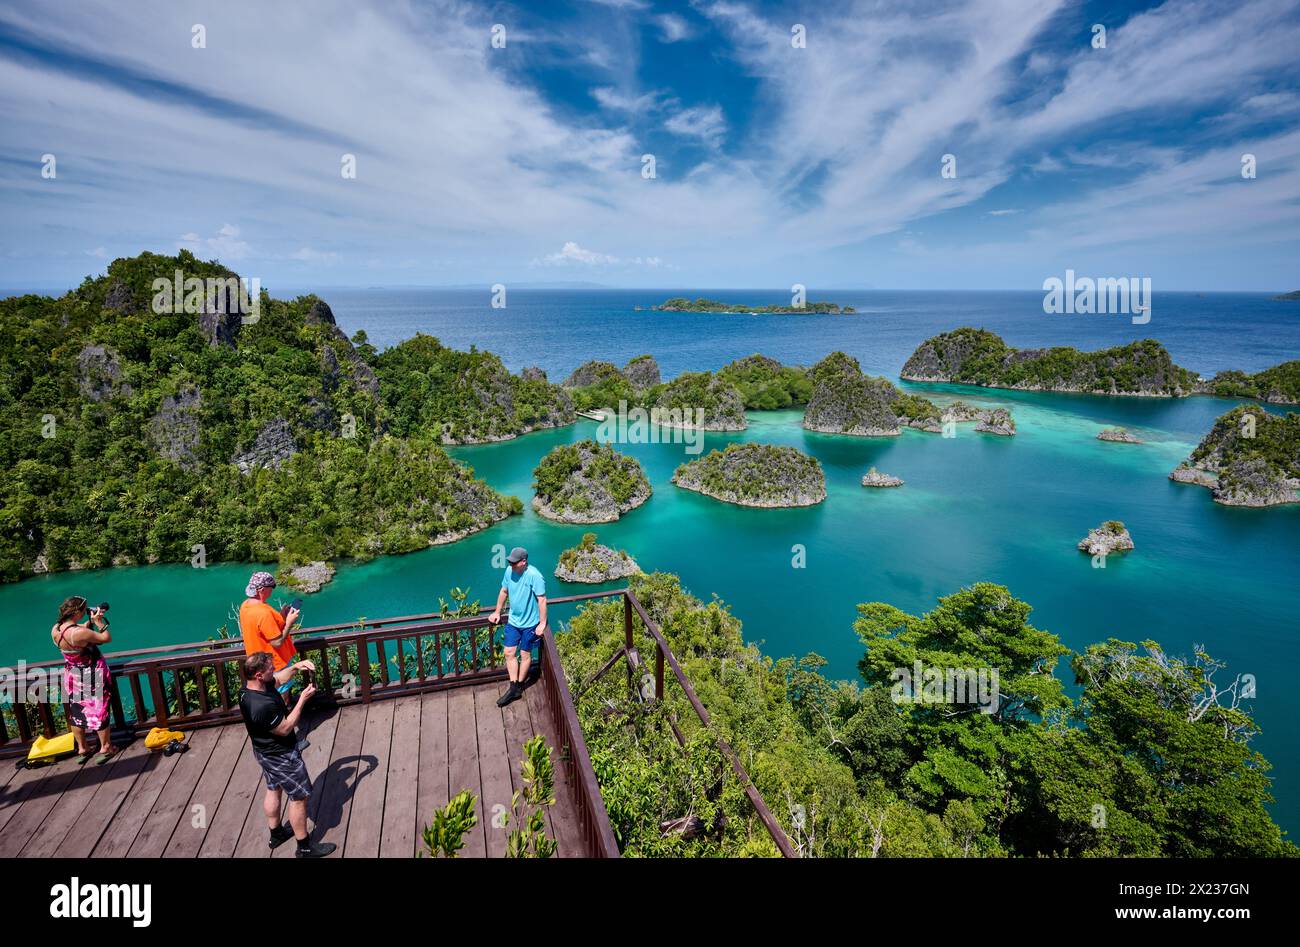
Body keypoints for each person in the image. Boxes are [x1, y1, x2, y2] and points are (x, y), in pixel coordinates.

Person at [238, 651, 335, 858]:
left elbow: (279, 678)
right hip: (281, 755)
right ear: (258, 675)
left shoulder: (250, 689)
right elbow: (285, 728)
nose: (274, 670)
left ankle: (277, 833)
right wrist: (302, 700)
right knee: (300, 797)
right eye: (270, 668)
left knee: (274, 788)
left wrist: (296, 666)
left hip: (264, 751)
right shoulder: (261, 706)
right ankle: (305, 847)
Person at [51, 596, 116, 765]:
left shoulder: (56, 629)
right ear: (78, 612)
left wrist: (90, 621)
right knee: (98, 710)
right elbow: (105, 638)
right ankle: (106, 747)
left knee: (77, 712)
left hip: (74, 676)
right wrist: (100, 622)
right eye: (84, 609)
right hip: (91, 676)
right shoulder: (80, 633)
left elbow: (78, 633)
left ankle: (83, 748)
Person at [489, 546, 547, 707]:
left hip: (530, 623)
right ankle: (514, 685)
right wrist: (497, 612)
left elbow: (542, 600)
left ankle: (518, 686)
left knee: (525, 654)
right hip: (514, 621)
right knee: (509, 652)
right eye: (510, 562)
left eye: (514, 562)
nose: (511, 564)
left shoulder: (535, 576)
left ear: (523, 562)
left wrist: (542, 623)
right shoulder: (509, 571)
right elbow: (504, 591)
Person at [239, 571, 302, 695]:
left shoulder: (245, 606)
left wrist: (282, 616)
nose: (272, 590)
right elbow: (277, 642)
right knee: (282, 697)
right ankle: (285, 715)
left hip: (257, 662)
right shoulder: (263, 612)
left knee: (267, 695)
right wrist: (289, 622)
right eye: (271, 587)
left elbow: (264, 629)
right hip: (274, 663)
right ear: (261, 589)